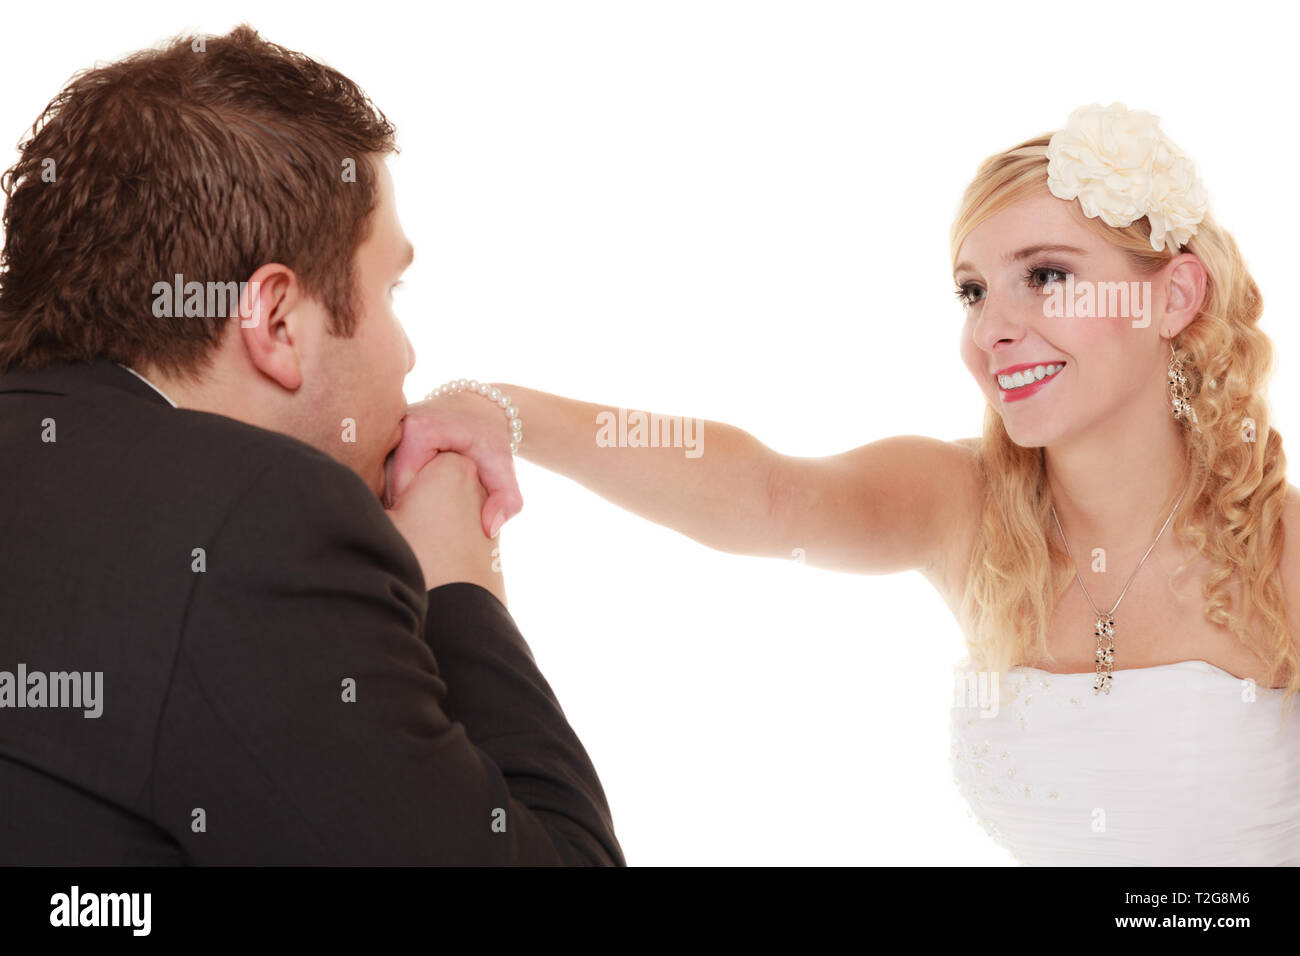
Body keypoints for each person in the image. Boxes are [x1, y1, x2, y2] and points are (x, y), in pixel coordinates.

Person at [400, 103, 1300, 865]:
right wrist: (504, 410)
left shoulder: (1283, 549)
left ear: (1174, 297)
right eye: (974, 291)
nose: (993, 329)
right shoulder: (965, 505)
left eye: (1048, 276)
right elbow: (769, 493)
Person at [0, 25, 622, 866]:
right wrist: (458, 582)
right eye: (391, 287)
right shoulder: (256, 524)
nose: (408, 354)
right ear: (279, 322)